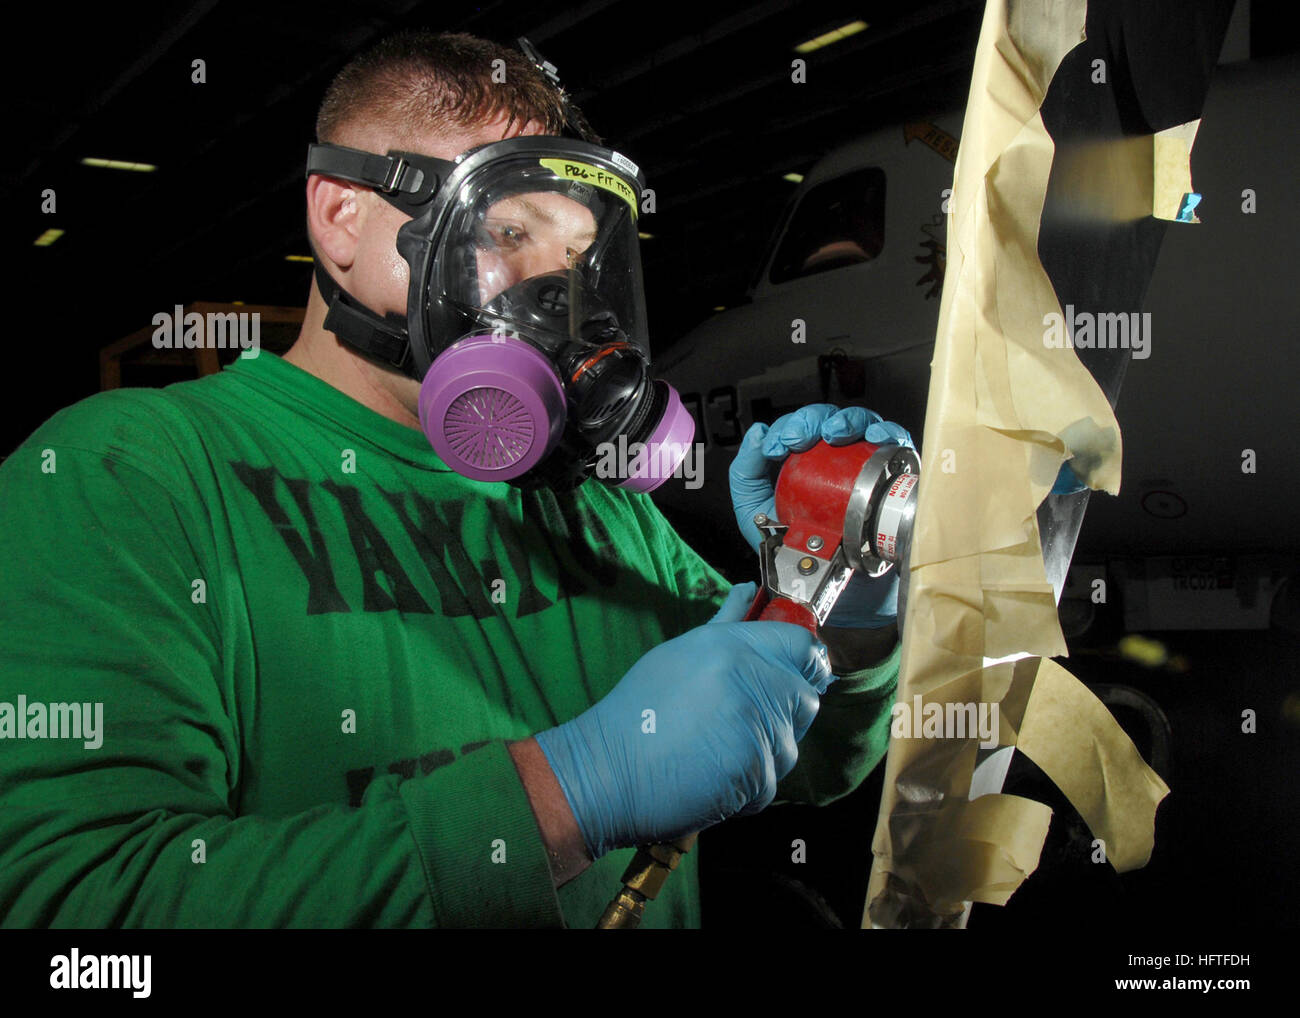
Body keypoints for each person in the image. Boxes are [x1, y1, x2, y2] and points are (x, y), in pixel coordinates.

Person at [0, 30, 909, 929]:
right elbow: (73, 906)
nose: (554, 300)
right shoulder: (126, 474)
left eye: (575, 259)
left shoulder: (593, 504)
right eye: (506, 232)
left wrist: (834, 596)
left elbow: (802, 758)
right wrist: (567, 797)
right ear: (340, 216)